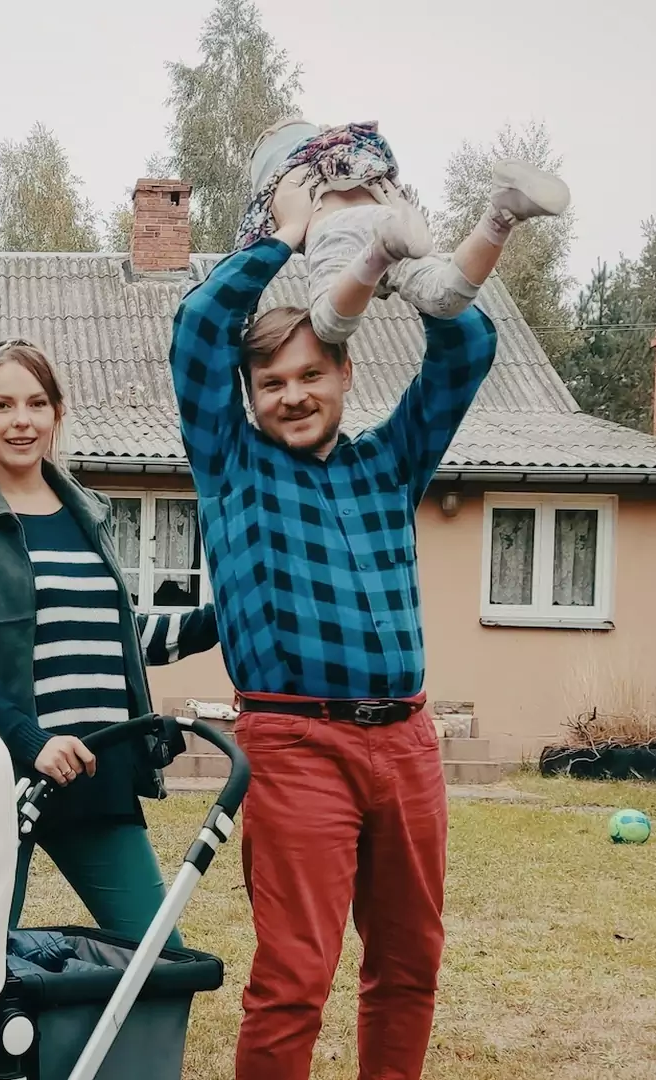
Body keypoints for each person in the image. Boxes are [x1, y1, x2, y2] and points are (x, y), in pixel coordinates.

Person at [168, 174, 499, 1079]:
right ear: (248, 396)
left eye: (312, 374)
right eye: (271, 382)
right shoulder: (230, 464)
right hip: (294, 744)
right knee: (296, 974)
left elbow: (466, 350)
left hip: (407, 745)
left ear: (346, 371)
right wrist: (286, 240)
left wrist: (395, 258)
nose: (293, 395)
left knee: (410, 963)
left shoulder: (388, 464)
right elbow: (198, 333)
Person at [0, 337, 219, 948]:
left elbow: (126, 635)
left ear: (56, 413)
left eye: (36, 404)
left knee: (154, 959)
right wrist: (34, 741)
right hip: (3, 782)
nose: (20, 421)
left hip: (96, 774)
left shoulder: (89, 517)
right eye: (2, 406)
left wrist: (224, 618)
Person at [237, 118, 569, 347]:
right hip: (388, 218)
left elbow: (253, 252)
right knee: (446, 296)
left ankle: (381, 251)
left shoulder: (285, 182)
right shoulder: (358, 155)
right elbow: (397, 197)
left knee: (328, 325)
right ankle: (500, 214)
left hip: (336, 232)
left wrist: (245, 319)